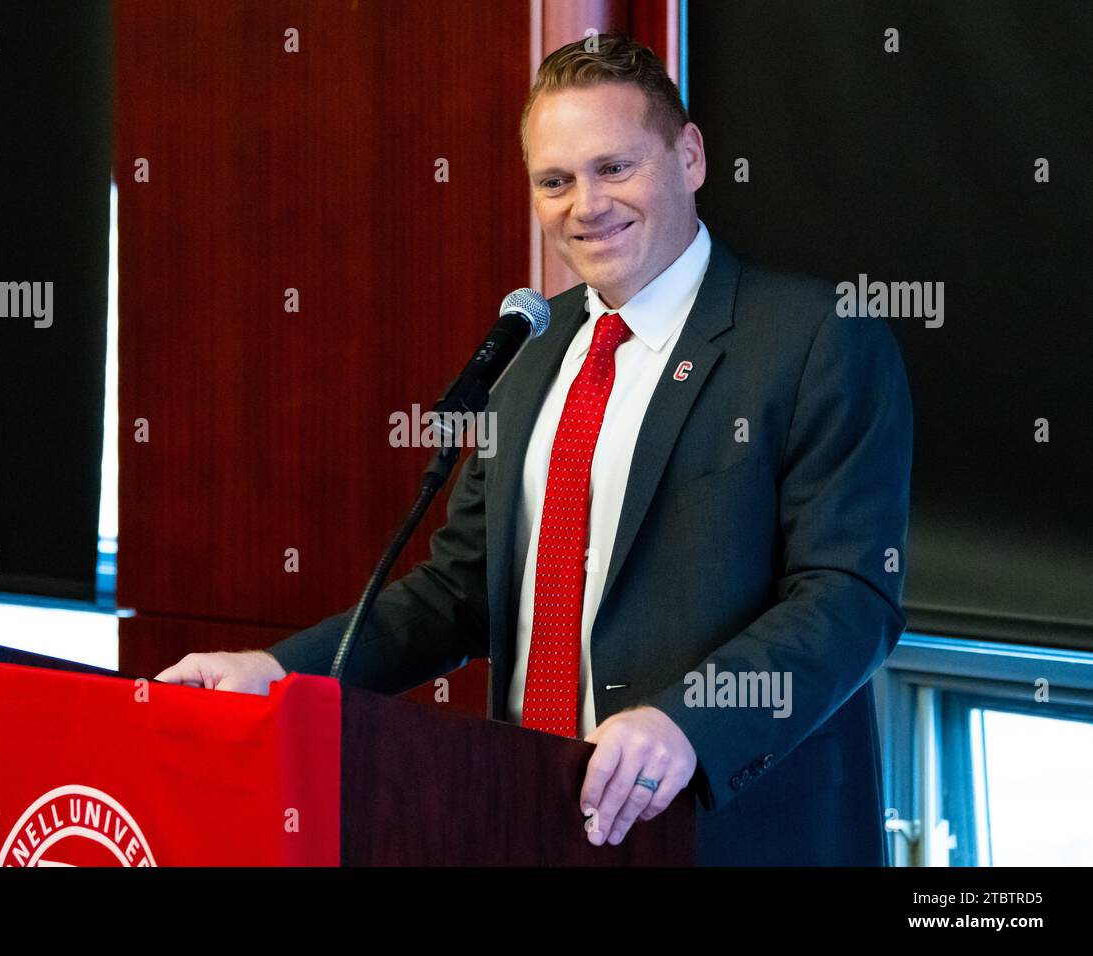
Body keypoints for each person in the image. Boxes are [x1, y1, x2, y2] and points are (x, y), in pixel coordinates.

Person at [156, 33, 913, 865]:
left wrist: (688, 723)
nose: (584, 204)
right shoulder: (531, 351)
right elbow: (459, 592)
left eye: (614, 168)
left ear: (690, 157)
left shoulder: (816, 339)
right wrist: (282, 673)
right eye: (555, 181)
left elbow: (848, 598)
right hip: (530, 812)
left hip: (726, 832)